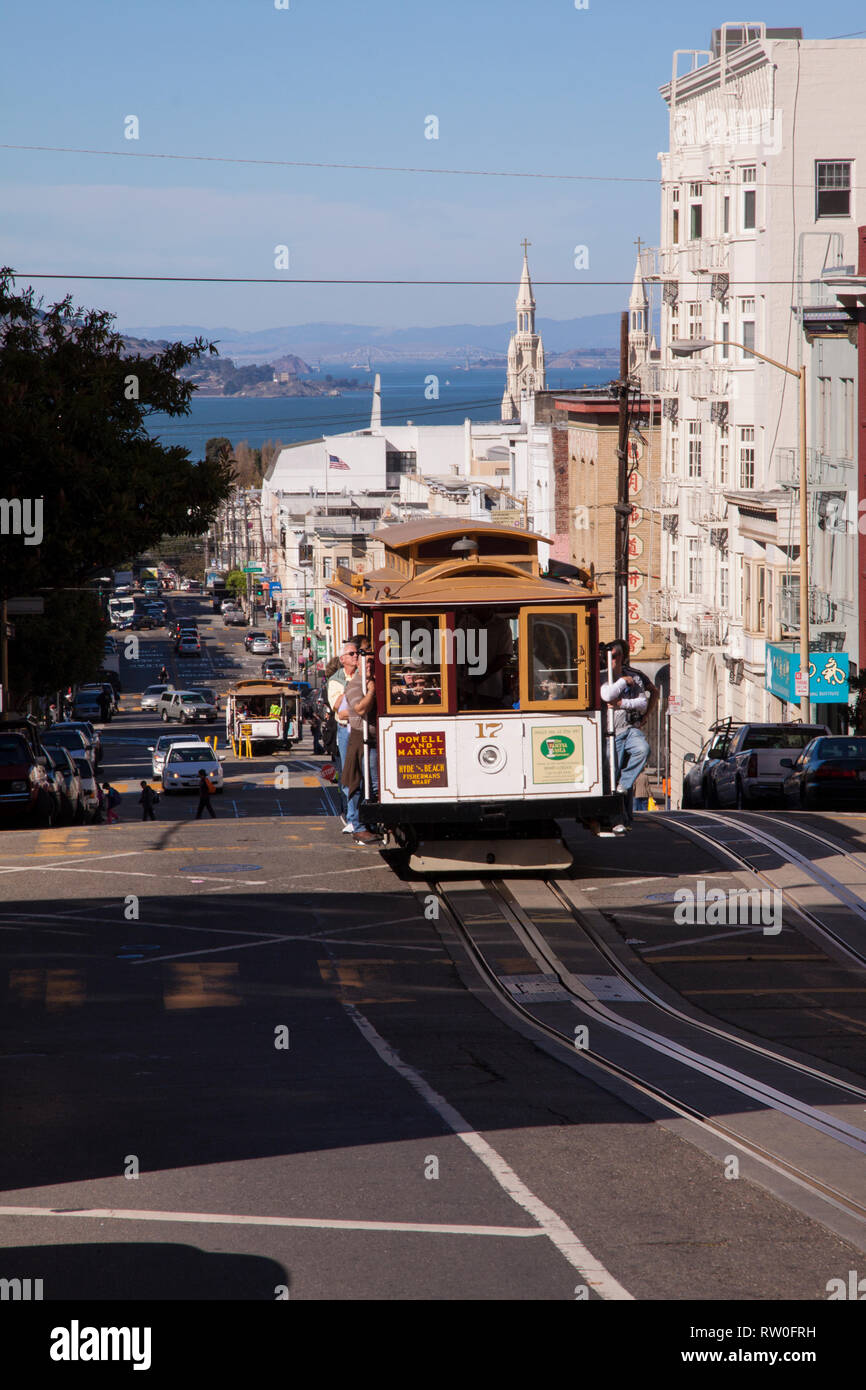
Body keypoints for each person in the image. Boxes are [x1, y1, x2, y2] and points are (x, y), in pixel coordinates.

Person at [600, 639, 656, 834]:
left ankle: (624, 785)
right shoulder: (602, 676)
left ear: (621, 657)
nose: (611, 660)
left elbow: (642, 702)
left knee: (643, 749)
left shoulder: (636, 677)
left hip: (627, 728)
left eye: (614, 656)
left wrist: (622, 703)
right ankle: (617, 820)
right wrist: (623, 682)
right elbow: (607, 695)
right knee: (611, 774)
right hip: (608, 734)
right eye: (609, 657)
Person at [342, 648, 381, 845]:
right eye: (366, 662)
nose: (369, 666)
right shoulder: (356, 685)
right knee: (363, 785)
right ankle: (359, 826)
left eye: (372, 663)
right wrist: (372, 690)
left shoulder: (371, 681)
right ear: (357, 663)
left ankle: (370, 825)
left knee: (372, 785)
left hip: (375, 740)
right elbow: (360, 708)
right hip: (362, 741)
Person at [327, 641, 359, 828]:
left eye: (357, 653)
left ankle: (359, 816)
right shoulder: (336, 680)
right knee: (348, 774)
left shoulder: (364, 675)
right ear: (343, 659)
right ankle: (350, 816)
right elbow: (338, 707)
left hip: (362, 727)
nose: (356, 656)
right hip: (346, 730)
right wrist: (353, 685)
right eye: (352, 653)